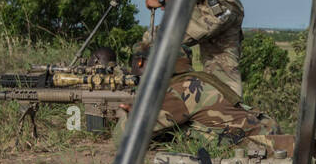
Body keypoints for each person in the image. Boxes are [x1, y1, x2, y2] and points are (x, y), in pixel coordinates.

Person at [122, 41, 289, 156]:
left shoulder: (180, 91)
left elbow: (123, 137)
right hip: (270, 139)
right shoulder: (198, 80)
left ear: (141, 63)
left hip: (260, 150)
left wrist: (131, 112)